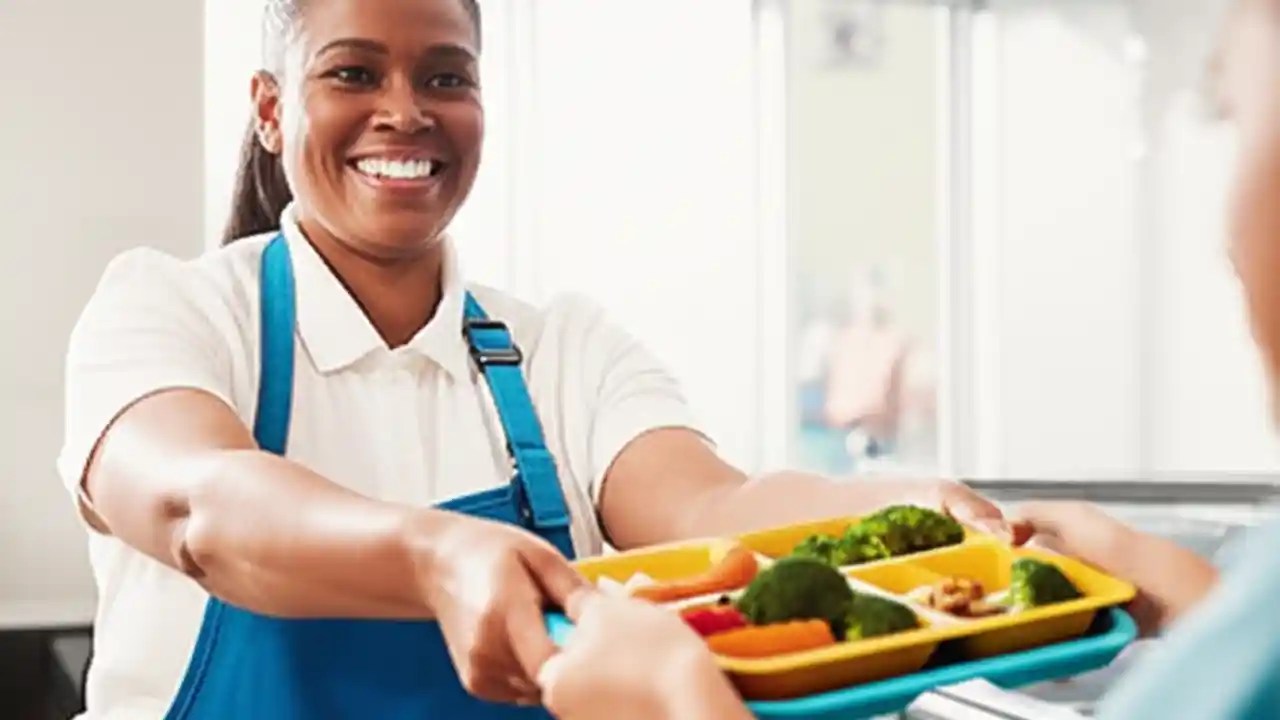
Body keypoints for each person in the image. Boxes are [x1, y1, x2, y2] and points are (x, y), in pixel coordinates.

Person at [58, 0, 1019, 718]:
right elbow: (202, 508)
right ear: (270, 111)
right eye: (353, 74)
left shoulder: (564, 351)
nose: (405, 111)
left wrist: (898, 509)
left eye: (446, 77)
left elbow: (709, 510)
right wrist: (439, 555)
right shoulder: (167, 311)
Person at [536, 0, 1280, 718]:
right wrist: (1183, 588)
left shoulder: (570, 347)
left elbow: (709, 508)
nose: (1227, 243)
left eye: (1238, 122)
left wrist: (684, 708)